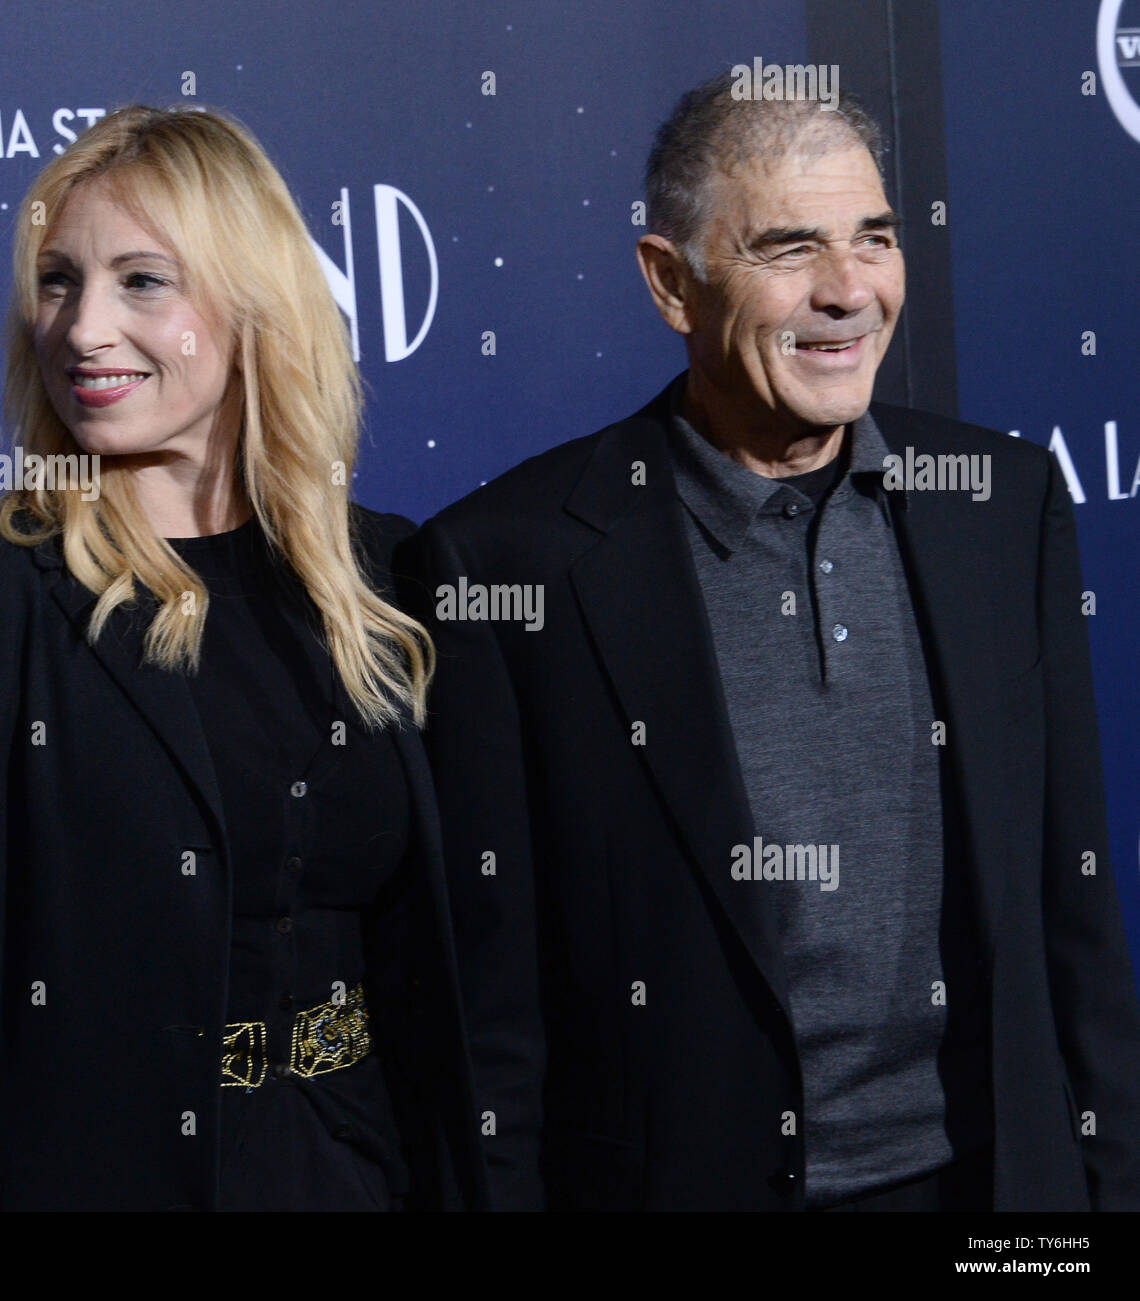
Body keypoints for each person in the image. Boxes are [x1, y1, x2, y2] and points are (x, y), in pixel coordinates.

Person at [399, 73, 1140, 1211]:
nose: (849, 291)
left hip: (992, 1195)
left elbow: (1072, 913)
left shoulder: (998, 501)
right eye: (790, 248)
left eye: (874, 239)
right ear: (668, 281)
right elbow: (494, 1013)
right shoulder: (505, 563)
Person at [0, 104, 484, 1212]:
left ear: (255, 304)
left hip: (363, 1170)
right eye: (56, 281)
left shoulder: (389, 573)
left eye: (142, 281)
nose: (84, 328)